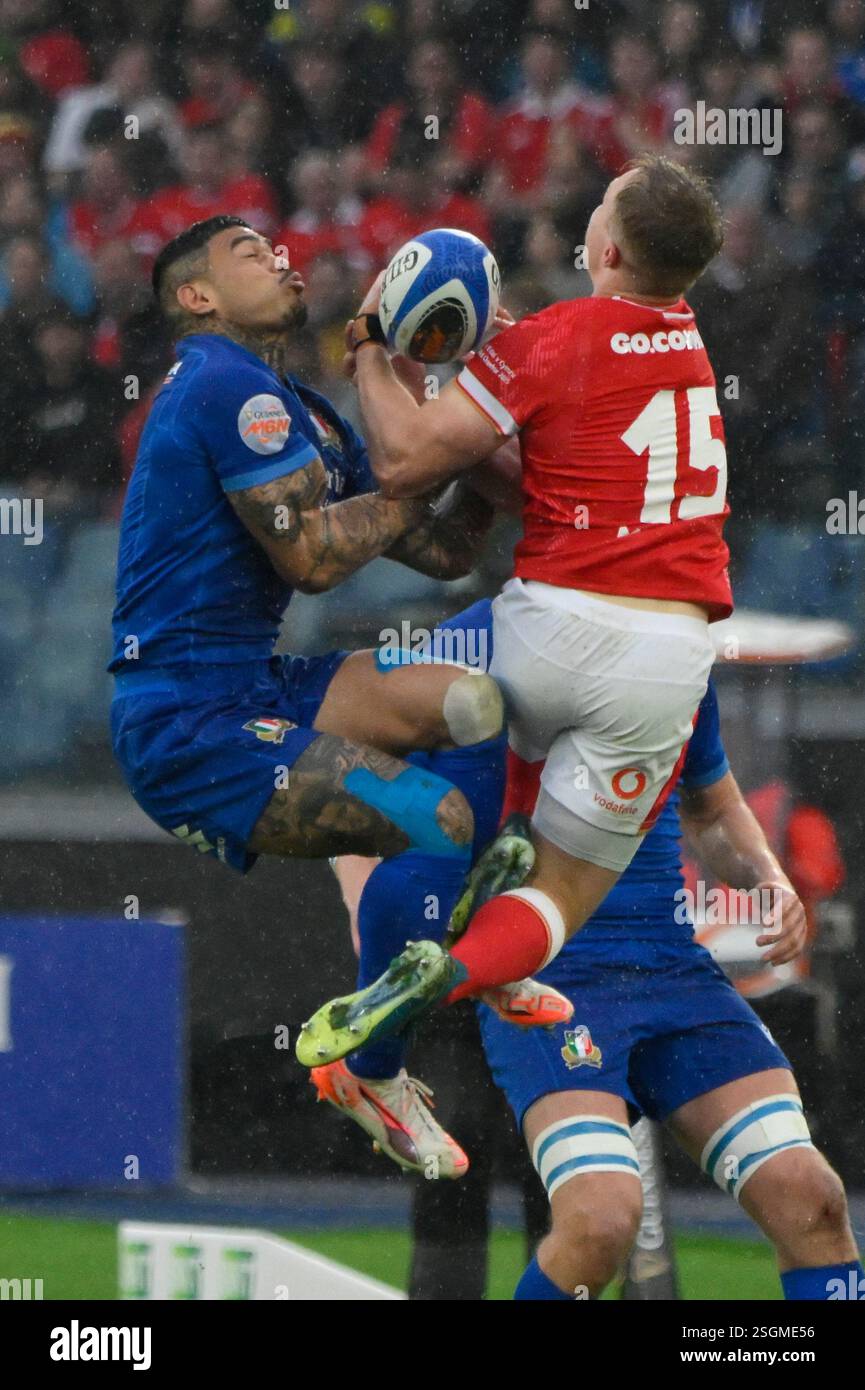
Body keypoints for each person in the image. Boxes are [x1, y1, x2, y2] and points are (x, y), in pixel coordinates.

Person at [108, 213, 569, 1173]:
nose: (278, 256)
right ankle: (373, 1069)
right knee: (437, 818)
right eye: (246, 253)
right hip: (188, 723)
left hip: (256, 682)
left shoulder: (297, 405)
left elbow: (443, 549)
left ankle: (465, 938)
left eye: (275, 245)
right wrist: (443, 441)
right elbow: (315, 559)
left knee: (477, 703)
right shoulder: (220, 386)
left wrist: (488, 410)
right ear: (196, 297)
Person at [300, 154, 732, 1062]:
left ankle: (235, 739)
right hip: (668, 664)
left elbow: (406, 462)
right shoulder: (688, 343)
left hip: (552, 623)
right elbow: (551, 475)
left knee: (349, 709)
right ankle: (459, 967)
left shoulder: (554, 339)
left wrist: (376, 350)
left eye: (601, 202)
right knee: (563, 894)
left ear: (605, 248)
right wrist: (487, 368)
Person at [321, 615, 864, 1302]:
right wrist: (374, 932)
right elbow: (356, 789)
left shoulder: (675, 653)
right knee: (586, 1219)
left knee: (810, 1199)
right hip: (533, 983)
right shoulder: (469, 646)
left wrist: (767, 877)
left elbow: (711, 808)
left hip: (671, 971)